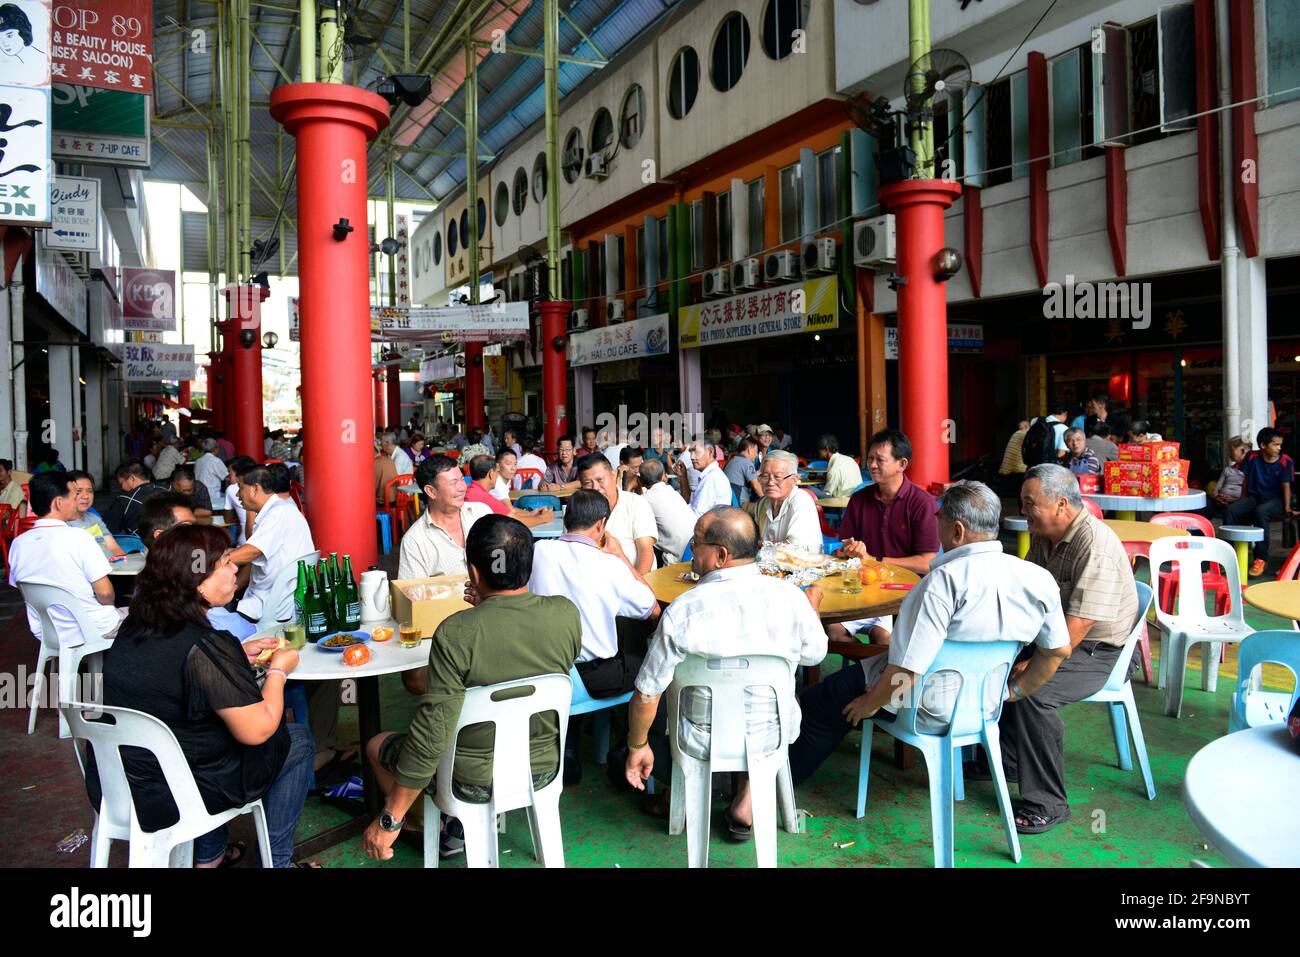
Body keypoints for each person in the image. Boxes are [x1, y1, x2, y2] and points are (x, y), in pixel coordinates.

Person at [788, 481, 1072, 794]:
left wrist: (869, 704)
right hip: (984, 705)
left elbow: (906, 672)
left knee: (818, 701)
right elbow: (1058, 650)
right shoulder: (1037, 578)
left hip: (926, 706)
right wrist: (1011, 692)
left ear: (958, 531)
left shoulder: (940, 583)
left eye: (940, 518)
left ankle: (782, 783)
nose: (935, 523)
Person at [90, 523, 315, 868]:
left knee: (198, 736)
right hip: (179, 794)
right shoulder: (206, 644)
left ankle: (208, 856)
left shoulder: (134, 627)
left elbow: (175, 672)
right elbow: (258, 729)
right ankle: (278, 862)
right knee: (296, 740)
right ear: (196, 580)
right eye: (224, 562)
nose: (235, 568)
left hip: (119, 787)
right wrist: (278, 670)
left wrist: (234, 654)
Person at [362, 516, 582, 861]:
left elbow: (433, 732)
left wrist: (391, 817)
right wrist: (487, 609)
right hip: (542, 767)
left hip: (468, 781)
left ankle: (429, 828)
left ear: (474, 574)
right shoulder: (565, 615)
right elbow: (523, 658)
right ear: (528, 564)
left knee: (377, 745)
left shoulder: (456, 632)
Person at [623, 507, 827, 835]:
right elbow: (816, 655)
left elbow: (647, 692)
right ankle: (747, 793)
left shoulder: (683, 610)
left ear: (720, 555)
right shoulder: (791, 598)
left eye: (697, 542)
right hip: (770, 736)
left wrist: (636, 746)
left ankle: (681, 792)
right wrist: (812, 609)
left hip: (699, 741)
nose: (690, 548)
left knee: (652, 713)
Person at [999, 464, 1139, 834]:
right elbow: (1026, 596)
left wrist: (1030, 669)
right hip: (1060, 638)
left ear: (1061, 505)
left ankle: (1048, 803)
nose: (1023, 511)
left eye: (1030, 503)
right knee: (993, 660)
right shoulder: (1046, 536)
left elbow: (1077, 628)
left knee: (1032, 692)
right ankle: (1009, 761)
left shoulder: (1094, 545)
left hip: (1100, 652)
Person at [529, 490, 660, 783]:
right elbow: (652, 610)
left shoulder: (538, 552)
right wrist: (621, 556)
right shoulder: (609, 565)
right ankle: (626, 745)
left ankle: (569, 745)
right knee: (648, 658)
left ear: (566, 520)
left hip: (546, 673)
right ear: (601, 525)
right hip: (594, 680)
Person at [8, 472, 129, 647]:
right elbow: (105, 594)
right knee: (149, 617)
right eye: (74, 496)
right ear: (59, 502)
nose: (78, 501)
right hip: (91, 628)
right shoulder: (79, 537)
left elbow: (24, 588)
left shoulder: (18, 544)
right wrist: (109, 609)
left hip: (46, 632)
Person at [837, 429, 940, 577]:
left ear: (902, 464)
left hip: (908, 590)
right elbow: (844, 545)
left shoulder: (922, 503)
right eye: (870, 458)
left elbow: (927, 563)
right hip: (867, 583)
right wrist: (850, 549)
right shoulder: (859, 499)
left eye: (880, 460)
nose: (872, 465)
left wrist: (875, 561)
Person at [225, 465, 316, 624]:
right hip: (266, 596)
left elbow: (253, 551)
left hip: (272, 601)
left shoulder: (279, 513)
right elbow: (254, 560)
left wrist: (216, 561)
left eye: (240, 488)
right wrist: (232, 586)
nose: (238, 494)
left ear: (255, 489)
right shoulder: (275, 511)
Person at [398, 454, 494, 581]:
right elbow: (413, 593)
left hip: (490, 600)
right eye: (453, 483)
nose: (462, 487)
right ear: (431, 491)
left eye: (462, 479)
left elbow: (501, 561)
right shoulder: (415, 540)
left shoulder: (482, 513)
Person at [1224, 427, 1297, 577]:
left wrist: (1287, 508)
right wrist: (1241, 500)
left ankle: (1261, 558)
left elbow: (1286, 485)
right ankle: (1228, 555)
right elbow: (1246, 480)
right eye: (1275, 444)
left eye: (1280, 445)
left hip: (1276, 501)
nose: (1279, 448)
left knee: (1261, 511)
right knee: (1231, 510)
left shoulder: (1285, 461)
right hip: (1255, 498)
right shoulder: (1251, 457)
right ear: (1263, 445)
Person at [576, 453, 657, 573]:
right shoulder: (578, 511)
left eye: (600, 480)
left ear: (614, 476)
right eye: (588, 483)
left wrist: (638, 587)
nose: (596, 488)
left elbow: (646, 551)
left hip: (635, 581)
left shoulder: (636, 503)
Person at [753, 450, 822, 552]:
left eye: (777, 477)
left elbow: (792, 547)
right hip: (770, 565)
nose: (770, 482)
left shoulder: (802, 501)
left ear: (794, 480)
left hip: (803, 565)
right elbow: (753, 540)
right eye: (765, 476)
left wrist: (761, 544)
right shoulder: (762, 503)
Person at [465, 454, 555, 528]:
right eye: (497, 472)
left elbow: (508, 510)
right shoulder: (485, 499)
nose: (498, 475)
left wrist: (531, 513)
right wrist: (543, 518)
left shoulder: (469, 492)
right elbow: (513, 520)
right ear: (491, 474)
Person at [638, 459, 697, 564]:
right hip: (695, 545)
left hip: (679, 558)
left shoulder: (644, 499)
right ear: (663, 477)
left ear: (641, 481)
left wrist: (629, 486)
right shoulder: (670, 490)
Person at [66, 471, 125, 558]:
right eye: (78, 491)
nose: (85, 496)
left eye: (89, 491)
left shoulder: (94, 518)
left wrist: (121, 562)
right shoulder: (63, 525)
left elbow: (114, 548)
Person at [677, 434, 731, 514]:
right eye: (690, 452)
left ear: (710, 451)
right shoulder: (710, 476)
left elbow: (696, 515)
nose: (691, 456)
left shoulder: (711, 479)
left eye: (695, 451)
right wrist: (683, 476)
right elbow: (690, 503)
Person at [103, 462, 162, 536]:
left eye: (121, 484)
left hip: (143, 545)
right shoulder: (166, 491)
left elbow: (108, 531)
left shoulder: (124, 500)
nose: (122, 488)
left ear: (132, 479)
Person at [1200, 436, 1250, 521]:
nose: (1229, 453)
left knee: (1230, 511)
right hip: (1221, 501)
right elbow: (1216, 489)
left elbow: (1250, 495)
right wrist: (1217, 497)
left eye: (1231, 450)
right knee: (1203, 506)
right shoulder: (1228, 470)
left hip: (1239, 502)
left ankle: (1228, 533)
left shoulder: (1251, 469)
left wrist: (1234, 500)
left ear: (1242, 451)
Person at [818, 434, 864, 499]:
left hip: (843, 505)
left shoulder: (834, 469)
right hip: (857, 499)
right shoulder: (850, 459)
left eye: (819, 450)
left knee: (810, 489)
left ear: (826, 449)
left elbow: (827, 494)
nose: (819, 453)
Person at [223, 456, 256, 545]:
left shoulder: (231, 489)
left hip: (245, 541)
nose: (227, 476)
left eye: (230, 472)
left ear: (239, 475)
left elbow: (228, 519)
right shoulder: (264, 487)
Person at [723, 437, 762, 506]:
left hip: (728, 502)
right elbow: (756, 486)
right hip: (740, 504)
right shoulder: (747, 463)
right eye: (756, 451)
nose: (756, 455)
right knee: (762, 510)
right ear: (749, 450)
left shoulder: (732, 460)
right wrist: (766, 500)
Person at [997, 420, 1030, 498]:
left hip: (1006, 469)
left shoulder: (1016, 434)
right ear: (1026, 427)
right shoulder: (1024, 434)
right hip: (1017, 469)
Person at [193, 438, 227, 507]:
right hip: (212, 495)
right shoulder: (216, 460)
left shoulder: (198, 461)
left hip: (198, 493)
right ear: (215, 448)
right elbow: (227, 476)